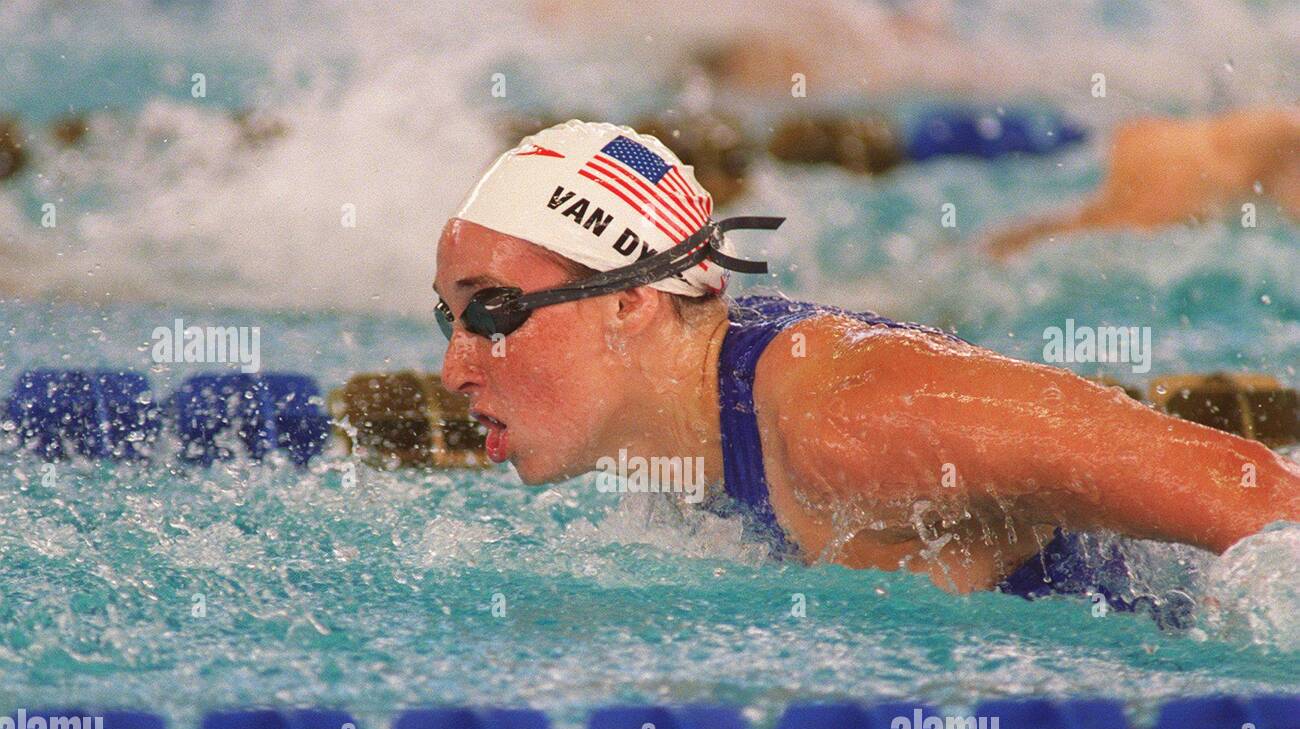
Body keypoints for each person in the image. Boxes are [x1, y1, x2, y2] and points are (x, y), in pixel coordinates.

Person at [435, 121, 1300, 600]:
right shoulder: (680, 437)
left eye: (491, 312)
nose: (453, 368)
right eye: (449, 319)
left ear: (631, 299)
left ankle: (1160, 190)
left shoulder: (852, 422)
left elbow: (1254, 492)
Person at [988, 108, 1300, 257]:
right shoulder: (1279, 136)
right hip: (1176, 169)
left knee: (1066, 233)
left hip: (1158, 145)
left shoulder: (1276, 130)